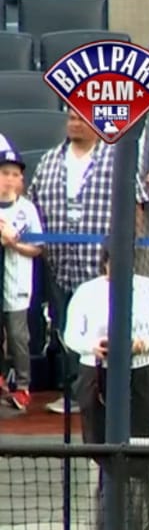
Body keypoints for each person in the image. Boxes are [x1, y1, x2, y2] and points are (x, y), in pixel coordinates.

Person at [62, 249, 149, 530]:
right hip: (97, 376)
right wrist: (94, 346)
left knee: (138, 456)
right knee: (102, 458)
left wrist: (142, 344)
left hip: (139, 375)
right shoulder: (87, 292)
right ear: (104, 263)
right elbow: (71, 335)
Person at [27, 108, 114, 414]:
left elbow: (136, 207)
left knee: (102, 327)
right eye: (71, 119)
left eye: (81, 119)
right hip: (60, 263)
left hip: (100, 265)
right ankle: (73, 392)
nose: (74, 124)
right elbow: (33, 205)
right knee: (66, 327)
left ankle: (103, 392)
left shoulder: (115, 157)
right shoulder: (51, 160)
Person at [0, 148, 44, 411]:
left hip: (17, 281)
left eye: (14, 174)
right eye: (4, 173)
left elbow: (38, 247)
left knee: (17, 335)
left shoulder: (26, 210)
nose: (9, 179)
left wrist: (13, 244)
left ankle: (24, 386)